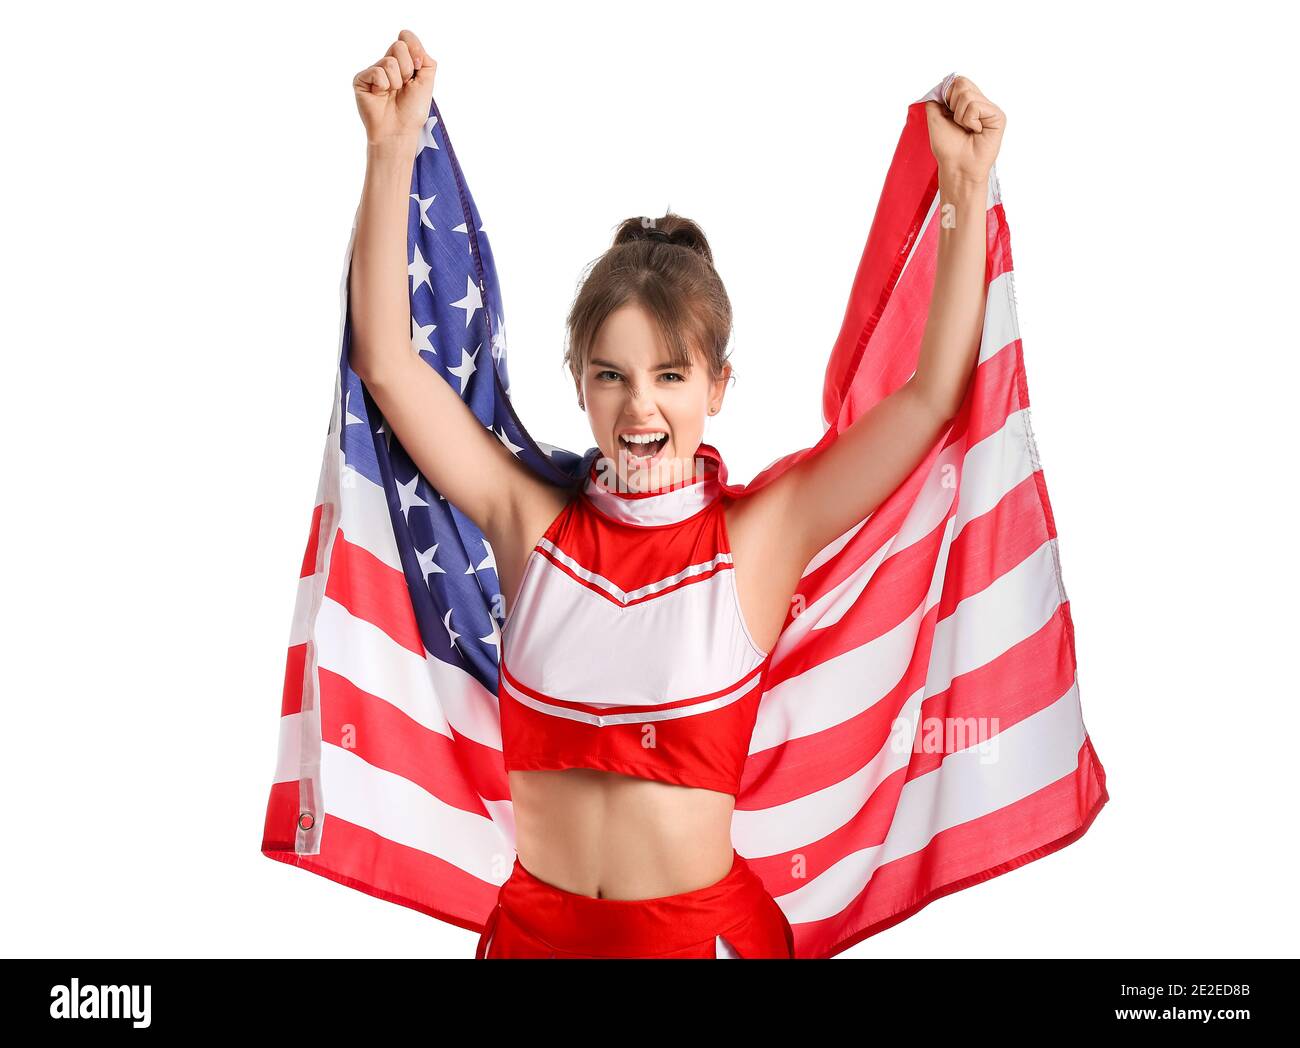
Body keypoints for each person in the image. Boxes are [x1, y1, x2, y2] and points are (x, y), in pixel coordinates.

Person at [347, 29, 1004, 958]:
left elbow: (932, 396)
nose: (640, 405)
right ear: (578, 381)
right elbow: (386, 361)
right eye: (610, 375)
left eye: (670, 375)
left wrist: (964, 191)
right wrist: (388, 148)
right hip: (534, 937)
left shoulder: (762, 537)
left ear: (717, 388)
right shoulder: (527, 522)